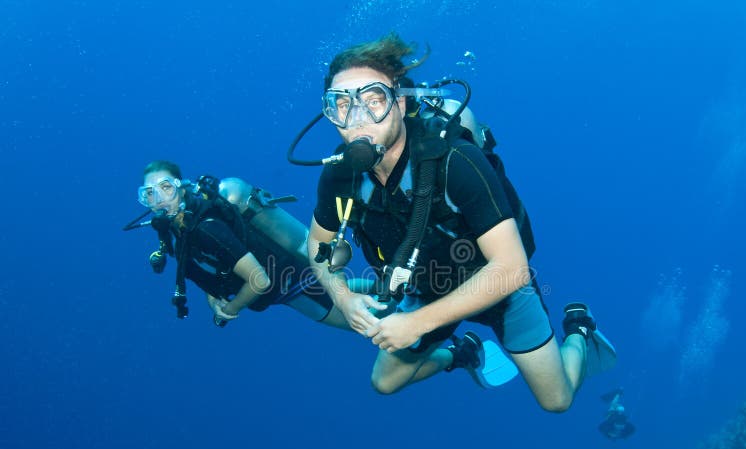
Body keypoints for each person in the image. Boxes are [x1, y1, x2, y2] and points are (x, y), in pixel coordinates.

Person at [305, 33, 616, 406]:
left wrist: (416, 324)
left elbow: (512, 268)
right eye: (341, 104)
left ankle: (579, 329)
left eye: (374, 100)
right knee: (384, 383)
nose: (357, 119)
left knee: (557, 401)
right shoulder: (340, 176)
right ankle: (463, 353)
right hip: (425, 290)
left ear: (400, 103)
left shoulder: (457, 160)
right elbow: (317, 243)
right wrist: (343, 299)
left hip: (501, 291)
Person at [135, 160, 351, 329]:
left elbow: (259, 280)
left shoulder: (206, 228)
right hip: (290, 281)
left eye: (165, 187)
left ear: (181, 189)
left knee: (362, 323)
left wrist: (229, 310)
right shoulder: (181, 230)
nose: (158, 199)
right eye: (149, 193)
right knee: (354, 293)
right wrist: (213, 300)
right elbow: (211, 264)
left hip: (294, 284)